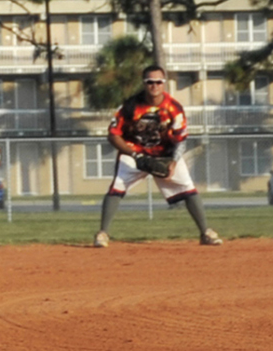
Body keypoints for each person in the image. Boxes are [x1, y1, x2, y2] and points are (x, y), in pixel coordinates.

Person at [93, 64, 222, 248]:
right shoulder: (130, 107)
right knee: (117, 187)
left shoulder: (173, 108)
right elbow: (113, 134)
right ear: (144, 84)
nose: (155, 85)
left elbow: (180, 139)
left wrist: (174, 162)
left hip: (165, 154)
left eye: (159, 82)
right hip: (134, 151)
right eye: (150, 82)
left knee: (188, 188)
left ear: (164, 83)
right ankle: (102, 234)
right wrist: (135, 155)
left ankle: (205, 233)